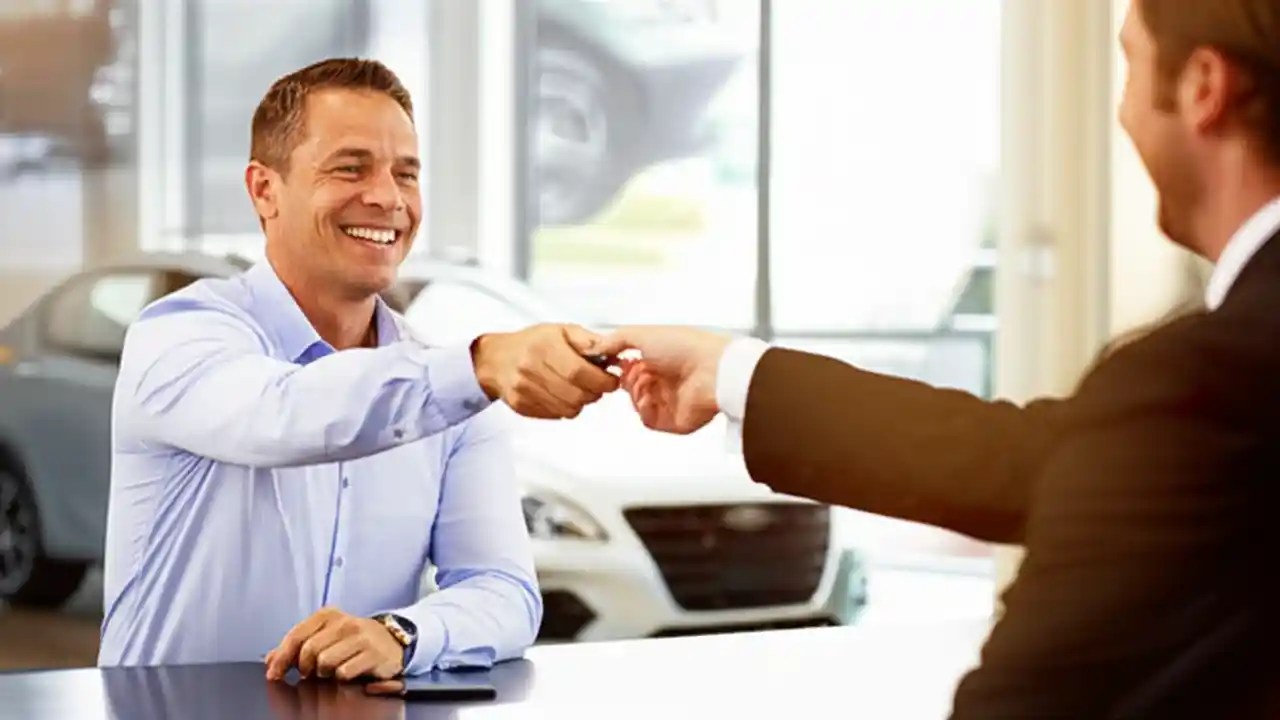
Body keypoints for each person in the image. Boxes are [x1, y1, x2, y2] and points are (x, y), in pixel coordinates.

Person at [591, 0, 1280, 716]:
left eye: (1130, 64)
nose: (1124, 110)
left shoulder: (1199, 383)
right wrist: (731, 373)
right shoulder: (1206, 395)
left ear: (1204, 87)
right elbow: (1042, 462)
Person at [97, 58, 619, 685]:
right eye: (350, 167)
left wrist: (401, 634)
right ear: (265, 190)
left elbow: (504, 591)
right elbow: (282, 414)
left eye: (406, 173)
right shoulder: (178, 334)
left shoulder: (451, 391)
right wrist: (478, 366)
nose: (388, 198)